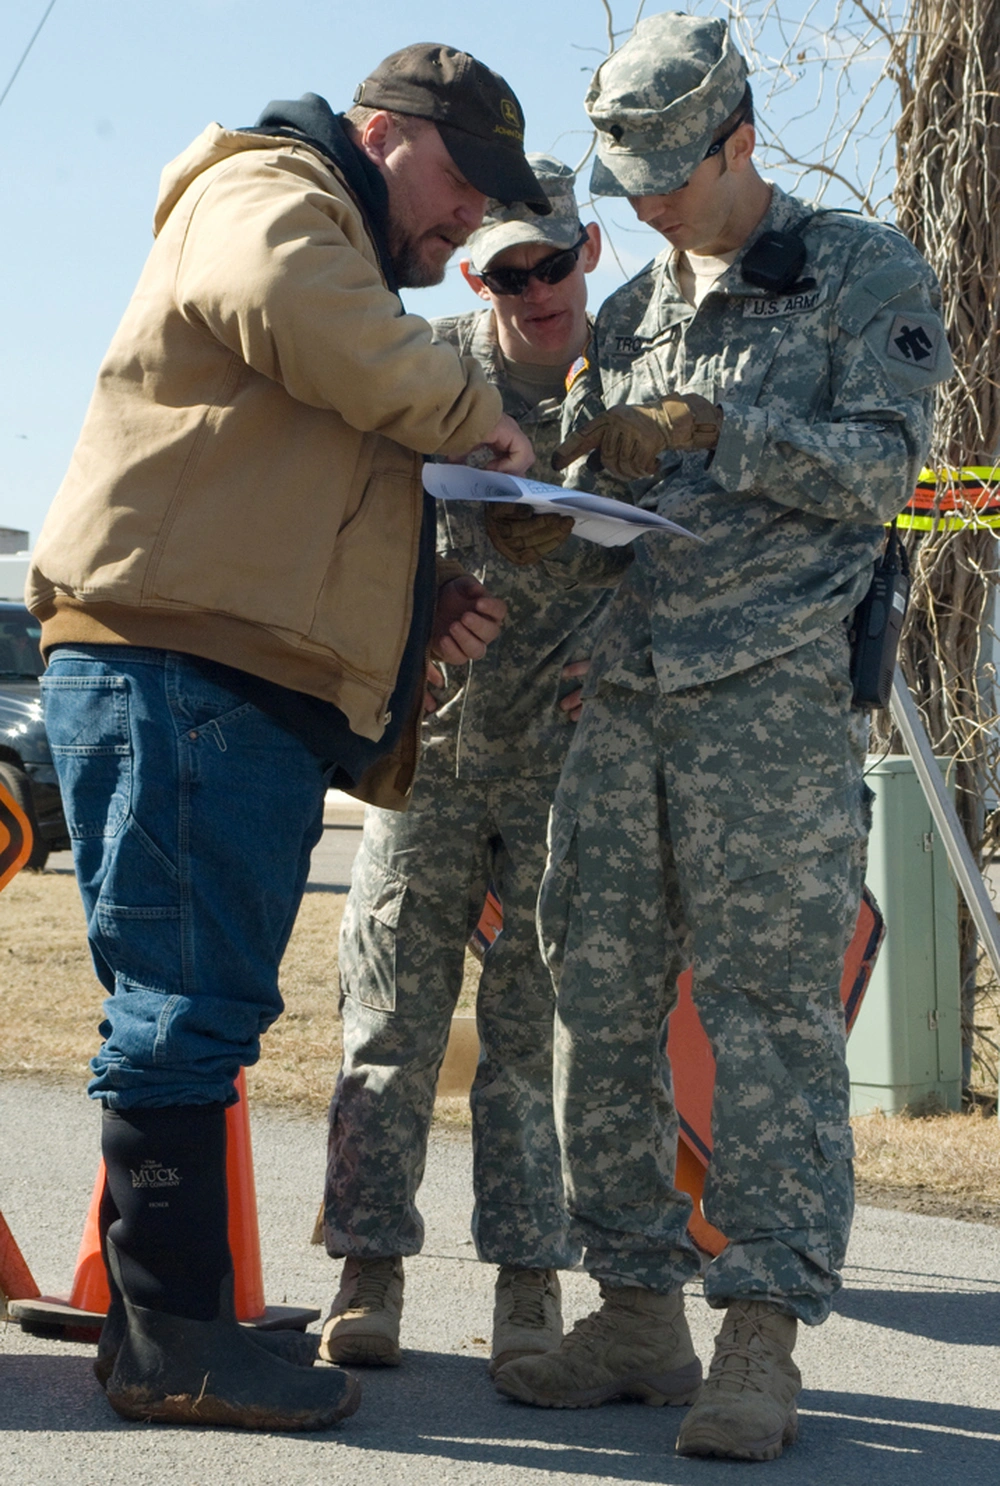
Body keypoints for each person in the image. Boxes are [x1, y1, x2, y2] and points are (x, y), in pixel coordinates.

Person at [26, 43, 547, 1433]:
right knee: (186, 1008)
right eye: (462, 184)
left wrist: (404, 606)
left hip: (214, 660)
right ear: (382, 134)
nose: (471, 221)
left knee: (196, 1001)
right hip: (181, 665)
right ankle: (174, 1341)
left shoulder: (330, 251)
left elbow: (280, 472)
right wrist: (468, 413)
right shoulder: (272, 190)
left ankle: (169, 1310)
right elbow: (280, 301)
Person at [490, 12, 953, 1463]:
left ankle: (760, 1330)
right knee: (602, 999)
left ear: (740, 140)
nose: (645, 208)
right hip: (621, 701)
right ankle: (637, 1308)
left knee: (764, 1019)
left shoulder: (857, 272)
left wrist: (712, 433)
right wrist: (544, 492)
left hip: (768, 701)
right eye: (628, 183)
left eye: (670, 178)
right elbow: (597, 534)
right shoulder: (632, 312)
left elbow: (886, 474)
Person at [321, 157, 629, 1377]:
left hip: (565, 764)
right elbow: (357, 518)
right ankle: (367, 1269)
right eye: (507, 270)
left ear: (587, 250)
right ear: (472, 273)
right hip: (434, 751)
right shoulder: (432, 368)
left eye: (550, 262)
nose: (533, 289)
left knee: (531, 1038)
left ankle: (527, 1290)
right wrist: (418, 611)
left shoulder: (639, 383)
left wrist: (611, 662)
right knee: (387, 1021)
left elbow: (677, 565)